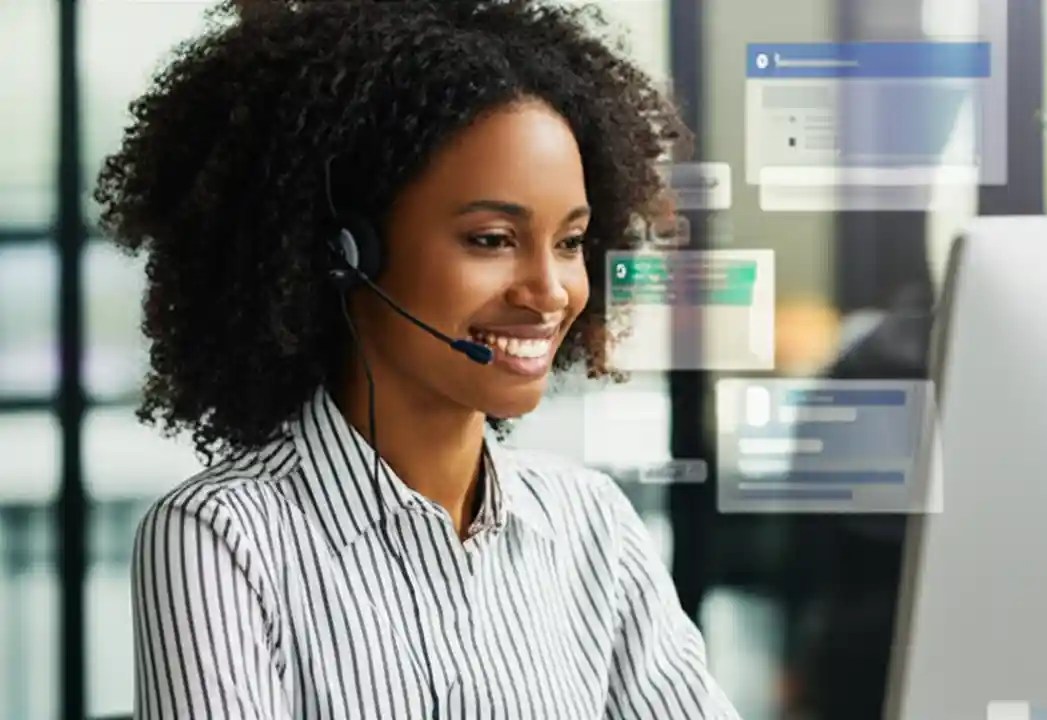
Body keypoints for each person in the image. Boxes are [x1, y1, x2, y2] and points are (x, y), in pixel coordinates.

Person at [93, 1, 739, 717]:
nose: (550, 292)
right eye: (493, 239)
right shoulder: (224, 539)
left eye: (569, 242)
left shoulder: (592, 528)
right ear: (345, 257)